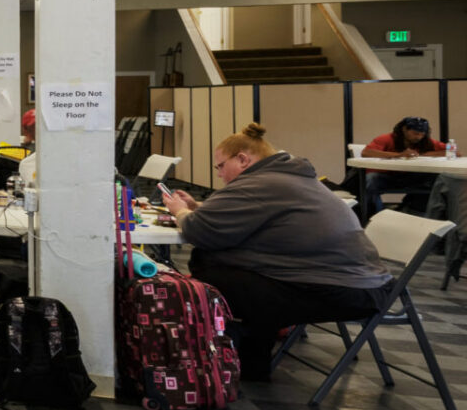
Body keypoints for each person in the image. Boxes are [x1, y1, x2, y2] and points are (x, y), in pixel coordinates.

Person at [164, 123, 392, 381]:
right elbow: (247, 215)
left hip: (342, 290)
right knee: (231, 270)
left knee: (211, 267)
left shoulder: (260, 183)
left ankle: (245, 360)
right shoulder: (285, 177)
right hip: (364, 284)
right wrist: (199, 206)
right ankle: (252, 359)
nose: (219, 174)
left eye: (220, 166)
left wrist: (180, 211)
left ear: (242, 159)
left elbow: (200, 231)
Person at [361, 115, 444, 215]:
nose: (418, 137)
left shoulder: (425, 142)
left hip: (411, 177)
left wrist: (422, 154)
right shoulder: (387, 138)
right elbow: (366, 153)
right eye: (415, 133)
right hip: (386, 177)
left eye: (422, 134)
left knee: (437, 177)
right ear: (404, 129)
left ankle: (414, 210)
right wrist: (399, 155)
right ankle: (372, 214)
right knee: (371, 178)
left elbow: (453, 152)